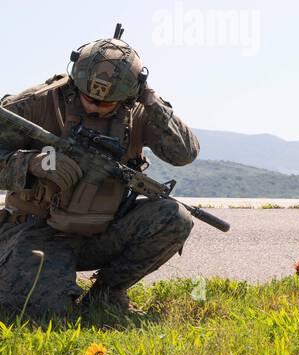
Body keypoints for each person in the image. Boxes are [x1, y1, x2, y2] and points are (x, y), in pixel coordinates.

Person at [0, 29, 200, 318]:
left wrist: (152, 100)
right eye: (86, 97)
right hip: (34, 230)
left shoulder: (140, 110)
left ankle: (107, 294)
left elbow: (185, 154)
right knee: (41, 314)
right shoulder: (36, 103)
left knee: (174, 218)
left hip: (102, 232)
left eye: (106, 103)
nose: (93, 105)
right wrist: (32, 165)